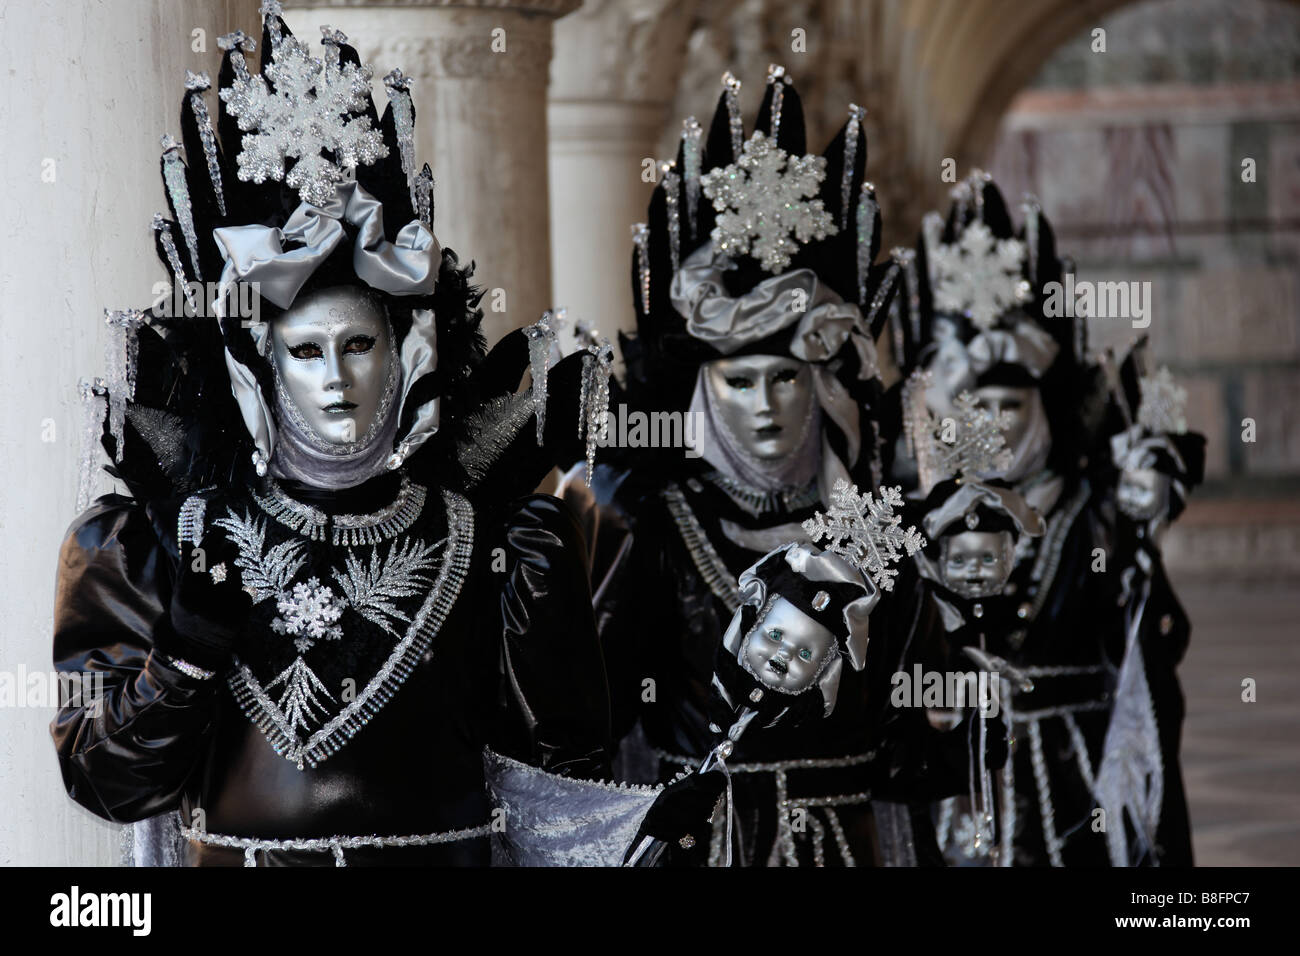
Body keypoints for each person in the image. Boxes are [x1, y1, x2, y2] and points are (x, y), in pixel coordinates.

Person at [50, 5, 613, 867]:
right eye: (305, 351)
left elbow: (569, 783)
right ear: (259, 364)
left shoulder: (495, 541)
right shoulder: (165, 539)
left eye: (359, 345)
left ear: (405, 353)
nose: (337, 378)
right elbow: (108, 783)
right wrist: (189, 651)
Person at [560, 66, 966, 866]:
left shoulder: (880, 533)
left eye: (786, 377)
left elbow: (921, 724)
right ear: (702, 394)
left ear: (822, 386)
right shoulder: (653, 523)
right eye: (738, 382)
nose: (766, 404)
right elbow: (590, 714)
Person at [884, 171, 1118, 866]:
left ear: (1044, 407)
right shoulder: (908, 524)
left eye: (1010, 405)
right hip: (948, 780)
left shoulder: (1087, 515)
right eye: (971, 405)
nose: (989, 427)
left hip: (1069, 779)